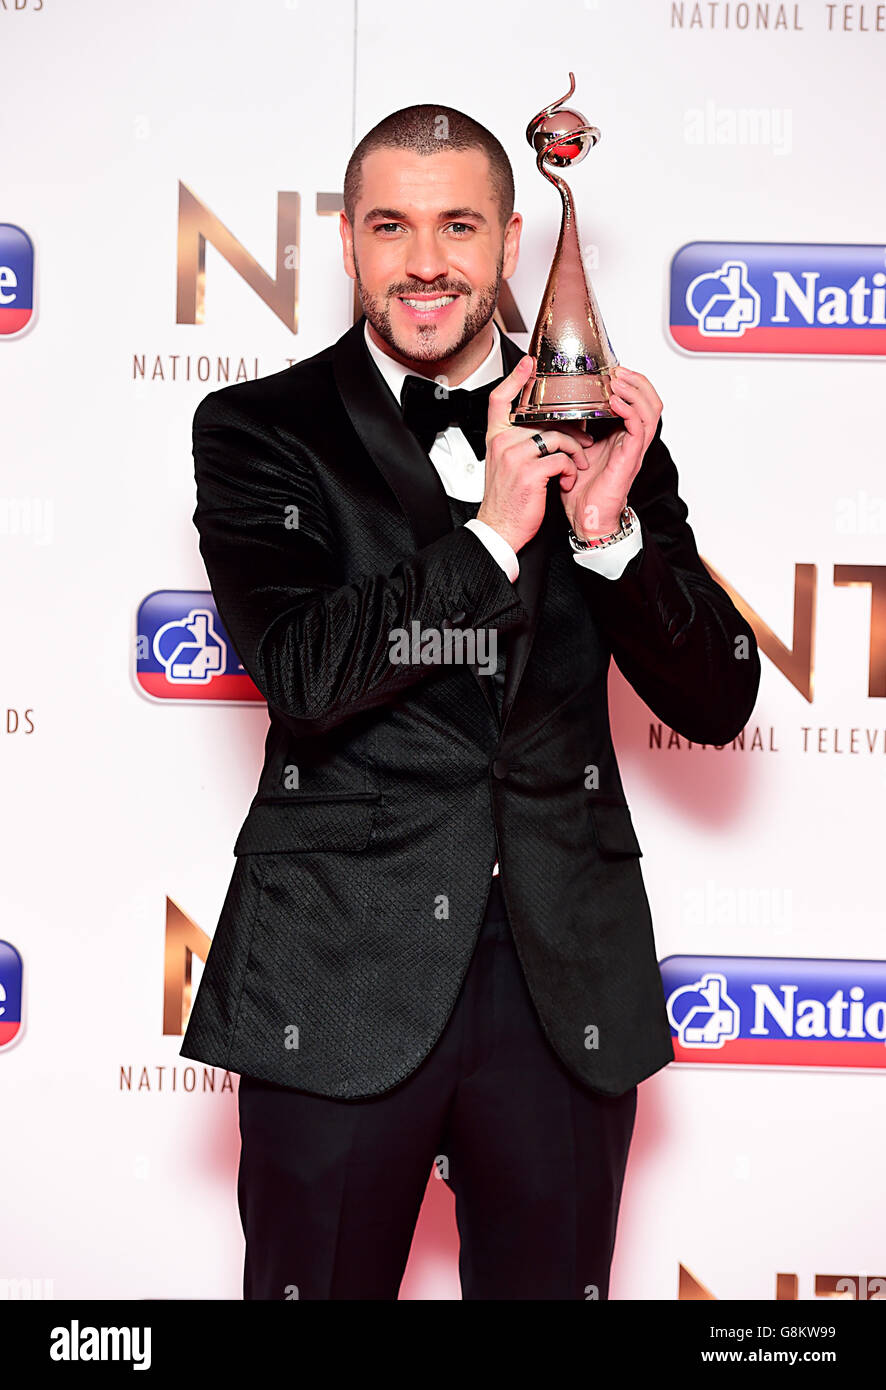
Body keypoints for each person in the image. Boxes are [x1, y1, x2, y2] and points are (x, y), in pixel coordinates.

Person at [179, 103, 760, 1301]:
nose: (425, 262)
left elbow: (715, 697)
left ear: (507, 243)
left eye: (458, 226)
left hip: (560, 979)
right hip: (336, 966)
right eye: (391, 226)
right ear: (348, 240)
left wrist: (607, 535)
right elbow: (302, 673)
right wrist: (494, 533)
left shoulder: (602, 424)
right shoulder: (259, 428)